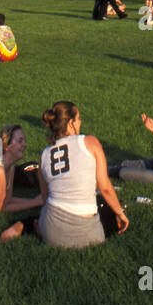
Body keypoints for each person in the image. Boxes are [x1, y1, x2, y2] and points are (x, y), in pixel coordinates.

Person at [28, 101, 128, 248]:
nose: (80, 122)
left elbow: (45, 196)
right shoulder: (90, 142)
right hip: (87, 234)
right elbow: (105, 187)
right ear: (71, 123)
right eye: (78, 118)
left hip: (51, 230)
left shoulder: (44, 154)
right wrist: (120, 213)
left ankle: (34, 227)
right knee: (107, 209)